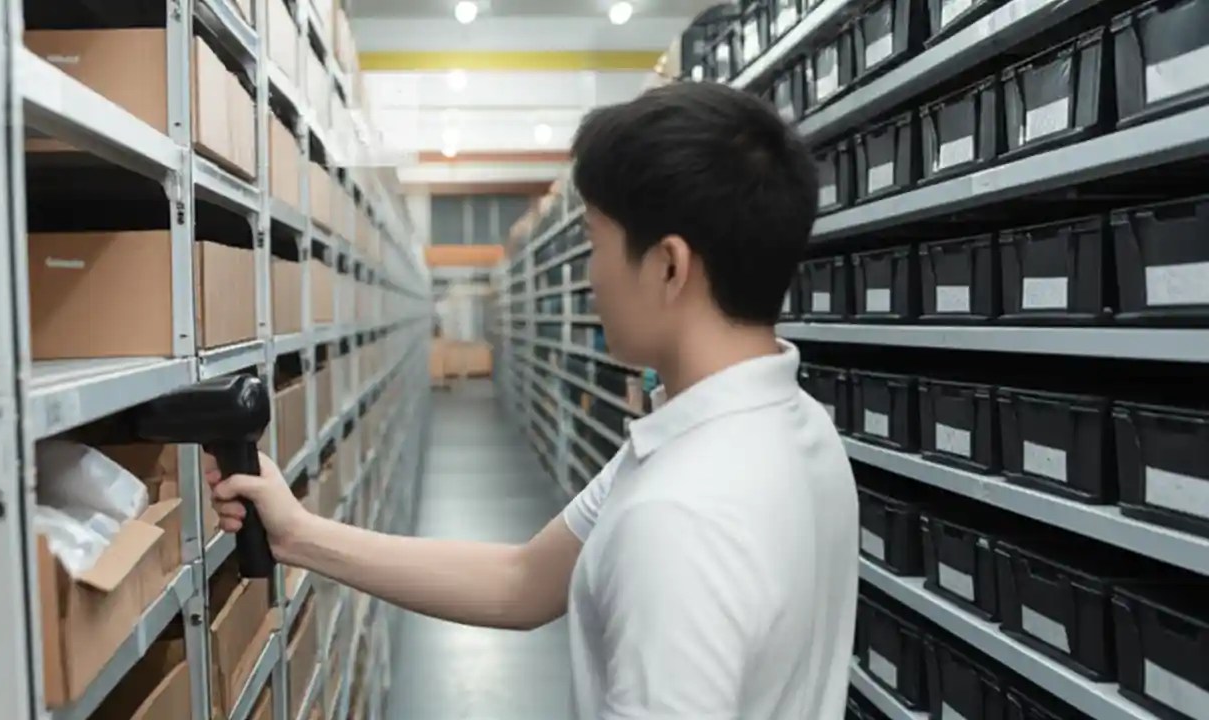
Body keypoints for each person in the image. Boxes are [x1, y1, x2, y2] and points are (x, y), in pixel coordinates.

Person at [208, 81, 859, 719]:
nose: (588, 277)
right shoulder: (796, 432)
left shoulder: (678, 516)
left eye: (596, 244)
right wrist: (300, 534)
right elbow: (522, 582)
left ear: (668, 266)